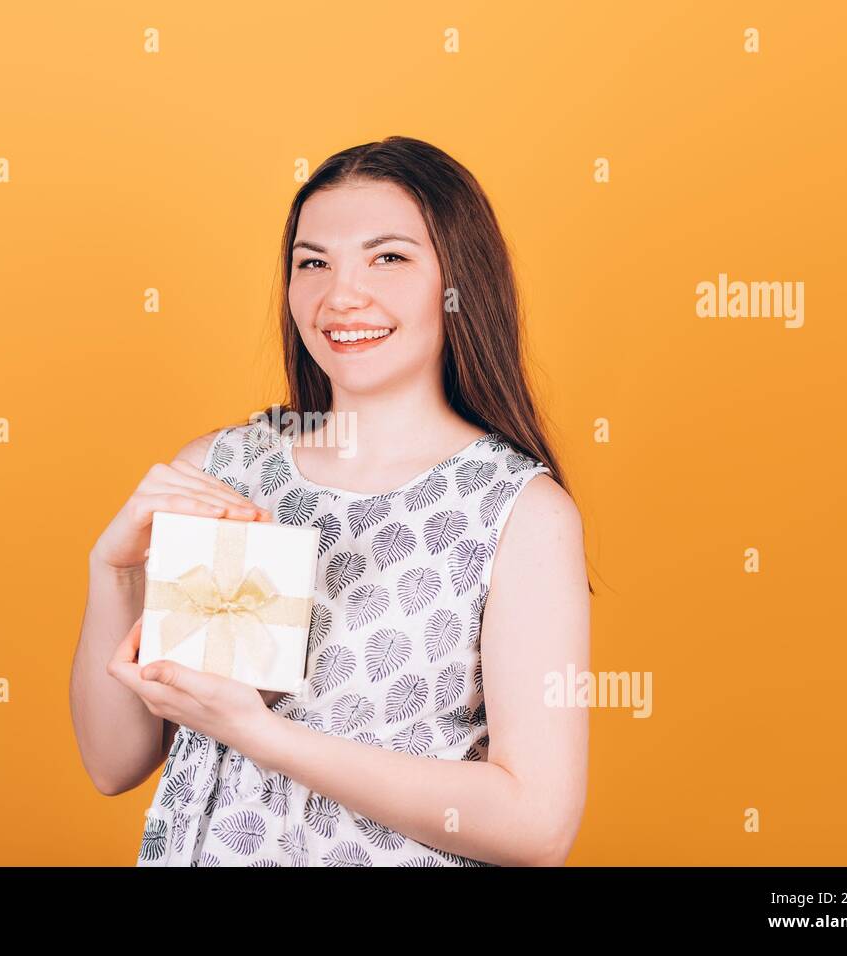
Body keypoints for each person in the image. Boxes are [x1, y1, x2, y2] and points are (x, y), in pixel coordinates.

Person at [70, 135, 591, 866]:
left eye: (389, 257)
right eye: (313, 262)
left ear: (458, 282)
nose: (340, 295)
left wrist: (259, 733)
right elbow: (113, 765)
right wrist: (113, 573)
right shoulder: (222, 472)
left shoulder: (516, 511)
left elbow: (536, 825)